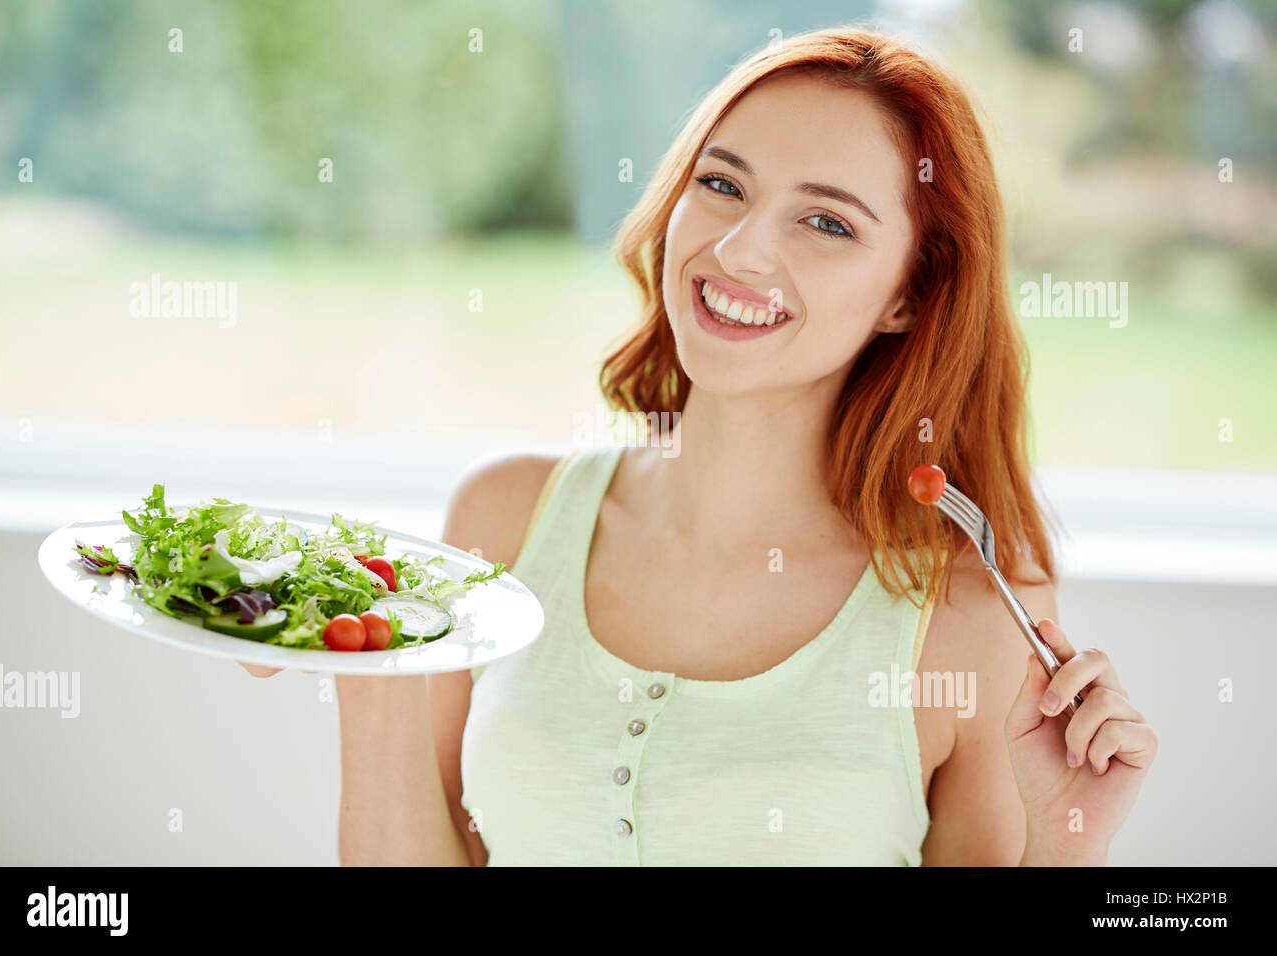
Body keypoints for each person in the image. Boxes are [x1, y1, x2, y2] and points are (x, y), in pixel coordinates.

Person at [244, 25, 1157, 866]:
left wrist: (1065, 837)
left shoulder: (966, 609)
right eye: (722, 185)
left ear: (909, 295)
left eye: (827, 221)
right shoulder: (505, 519)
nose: (741, 248)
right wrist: (367, 673)